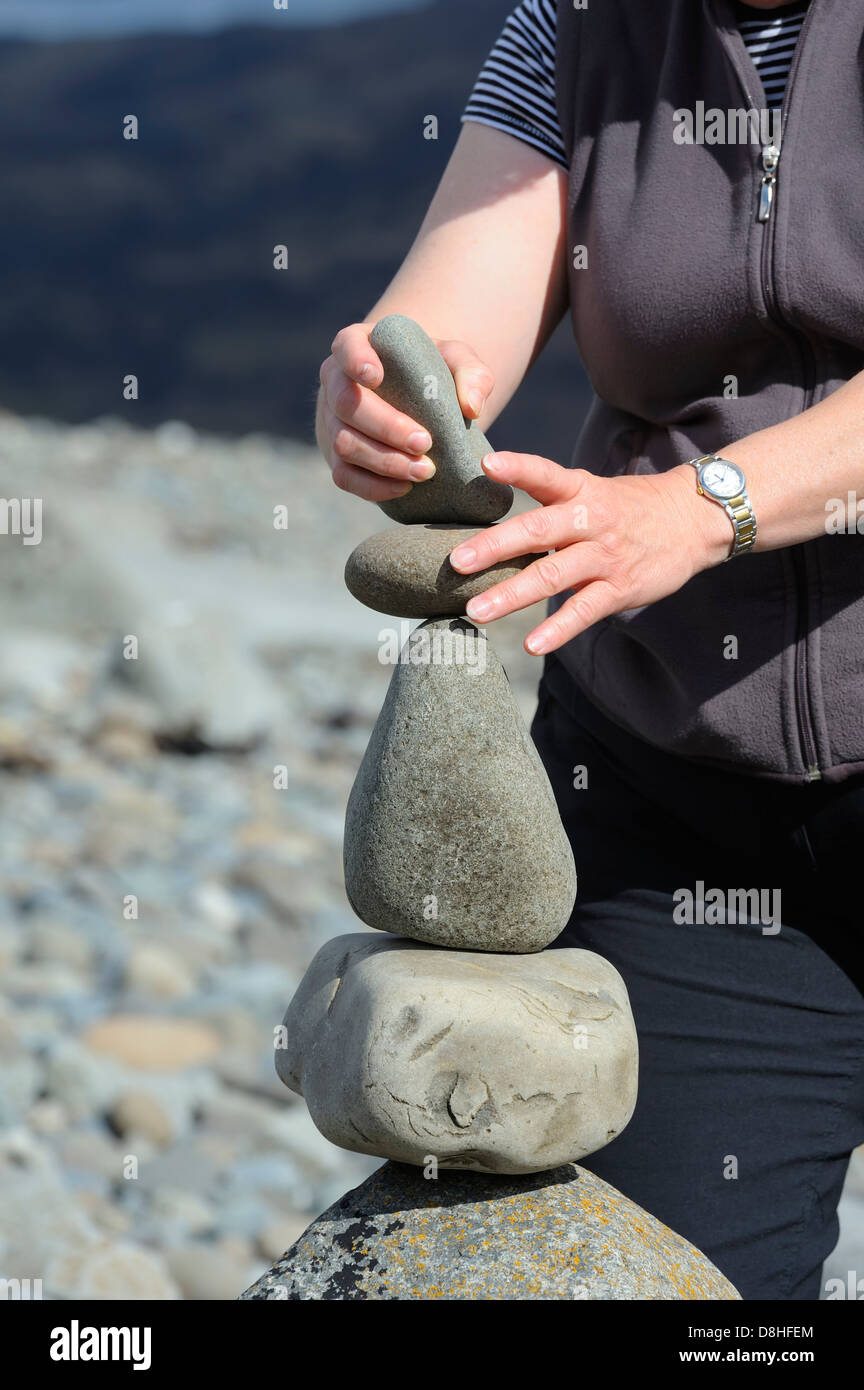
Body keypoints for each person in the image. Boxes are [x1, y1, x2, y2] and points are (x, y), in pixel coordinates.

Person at [315, 0, 864, 1300]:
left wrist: (705, 509)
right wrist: (391, 400)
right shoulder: (573, 30)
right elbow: (451, 320)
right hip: (687, 813)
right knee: (690, 1291)